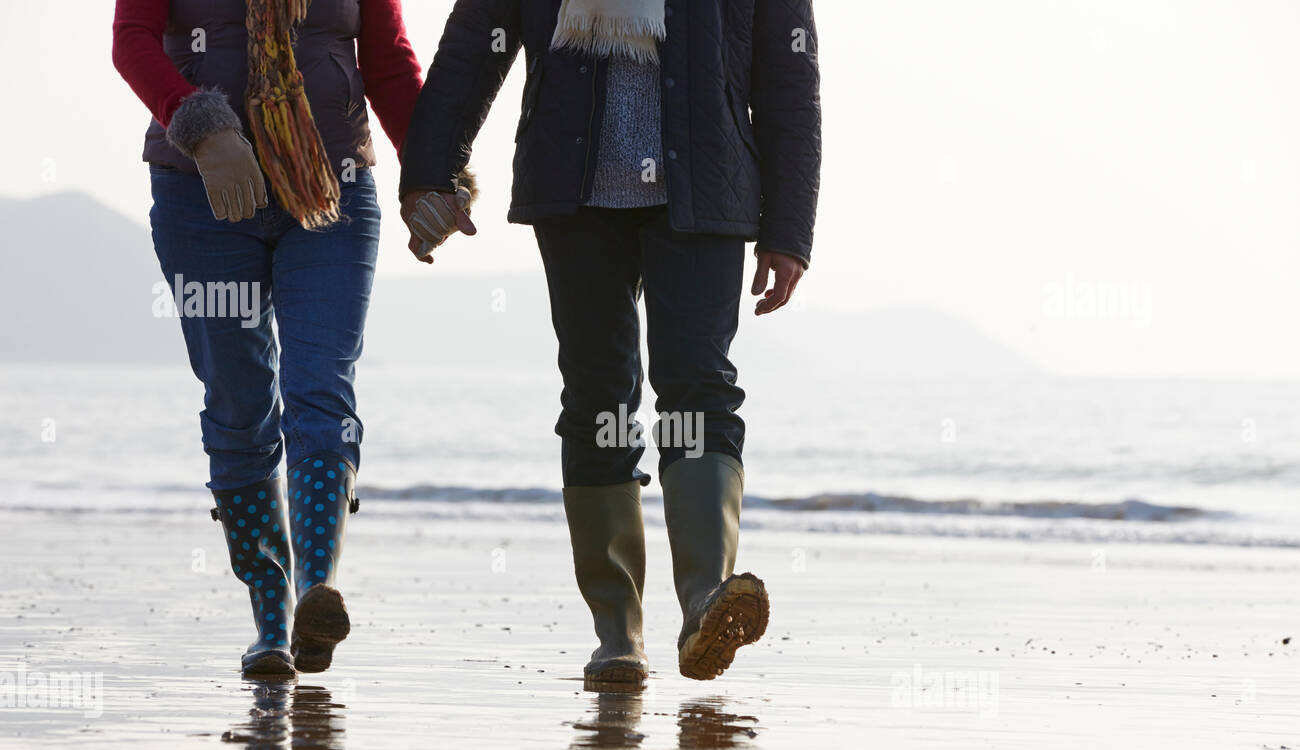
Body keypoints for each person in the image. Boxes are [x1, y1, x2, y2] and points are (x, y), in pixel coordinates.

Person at [399, 0, 820, 684]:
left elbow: (788, 75)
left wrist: (789, 229)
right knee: (599, 398)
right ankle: (617, 633)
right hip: (574, 193)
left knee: (698, 387)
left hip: (705, 187)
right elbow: (477, 39)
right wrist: (429, 173)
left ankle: (704, 604)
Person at [112, 0, 428, 677]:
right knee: (238, 403)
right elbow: (133, 41)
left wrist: (431, 168)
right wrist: (201, 128)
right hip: (199, 192)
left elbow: (388, 58)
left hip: (331, 189)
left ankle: (316, 589)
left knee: (320, 386)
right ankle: (272, 623)